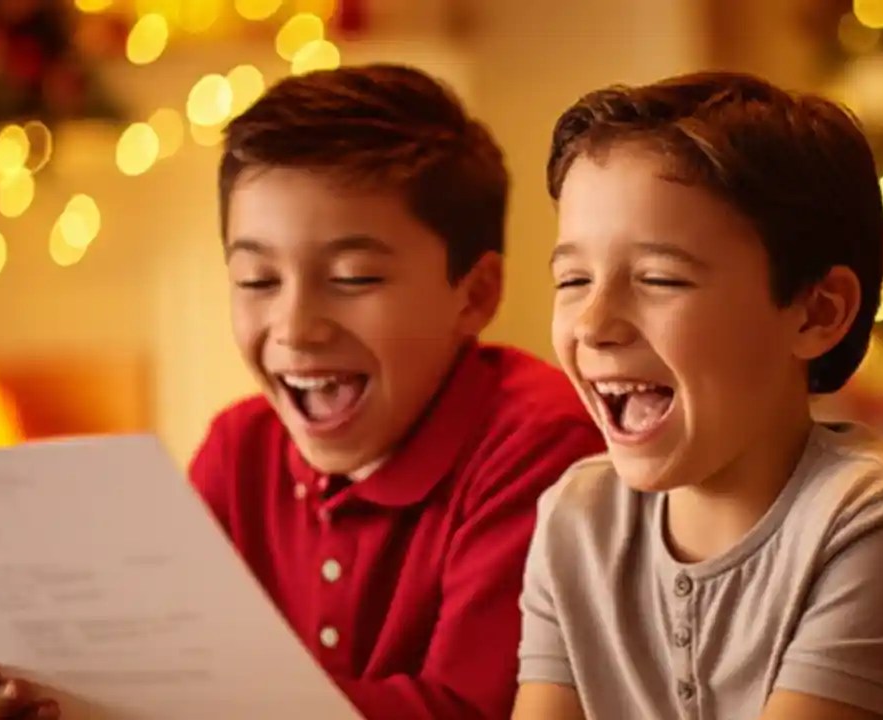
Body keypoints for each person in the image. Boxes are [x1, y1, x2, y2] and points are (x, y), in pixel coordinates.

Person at [514, 71, 883, 720]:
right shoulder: (576, 520)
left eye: (658, 279)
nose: (592, 324)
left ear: (817, 312)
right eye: (574, 279)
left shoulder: (877, 522)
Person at [189, 64, 603, 718]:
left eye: (353, 279)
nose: (295, 329)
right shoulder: (238, 448)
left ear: (475, 294)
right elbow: (172, 664)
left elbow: (467, 711)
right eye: (256, 280)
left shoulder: (542, 447)